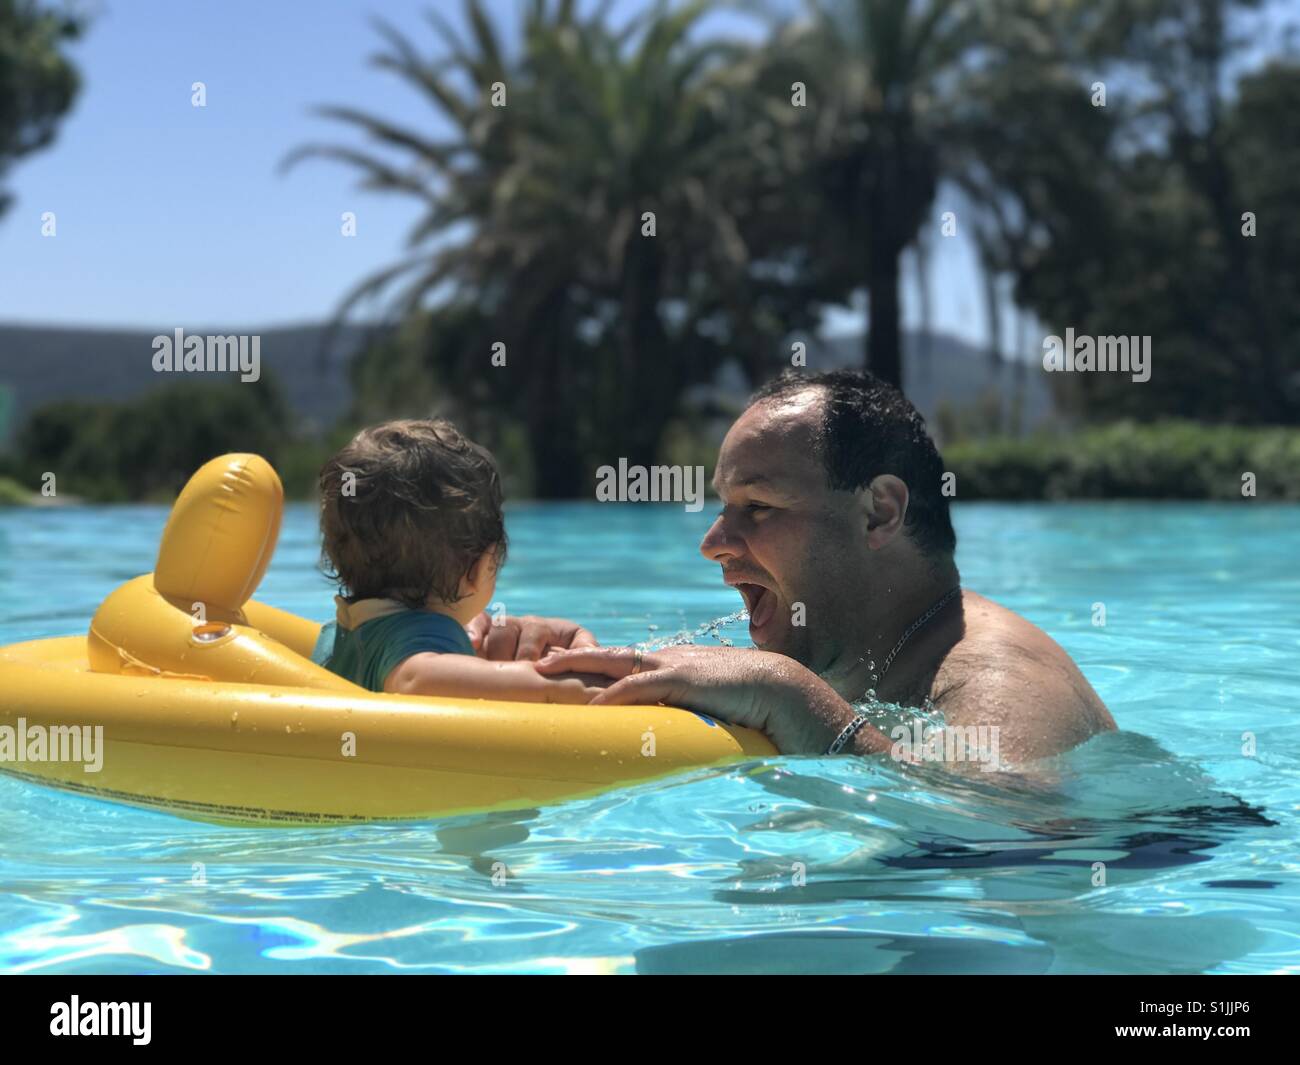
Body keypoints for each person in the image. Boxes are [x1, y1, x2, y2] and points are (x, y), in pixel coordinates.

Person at [519, 369, 1118, 768]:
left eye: (757, 507)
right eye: (723, 508)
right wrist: (564, 656)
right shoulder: (848, 644)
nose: (713, 543)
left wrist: (793, 699)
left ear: (878, 512)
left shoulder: (992, 676)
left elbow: (1017, 834)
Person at [312, 418, 603, 702]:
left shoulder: (336, 637)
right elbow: (417, 679)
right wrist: (571, 685)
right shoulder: (426, 636)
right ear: (478, 567)